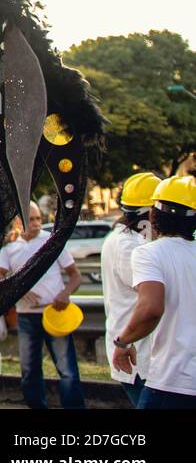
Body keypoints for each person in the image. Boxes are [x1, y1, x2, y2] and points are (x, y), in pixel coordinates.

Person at [112, 175, 196, 409]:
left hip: (174, 381)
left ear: (154, 215)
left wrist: (122, 343)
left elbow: (150, 308)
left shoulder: (149, 253)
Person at [0, 200, 85, 409]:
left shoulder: (51, 242)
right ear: (18, 222)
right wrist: (18, 289)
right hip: (26, 316)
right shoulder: (10, 248)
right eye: (30, 219)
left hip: (54, 312)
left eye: (38, 219)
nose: (35, 223)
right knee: (29, 370)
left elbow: (75, 276)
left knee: (67, 370)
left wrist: (65, 293)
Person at [102, 172, 160, 406]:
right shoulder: (129, 246)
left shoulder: (128, 240)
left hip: (135, 345)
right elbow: (153, 295)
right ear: (150, 213)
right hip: (135, 349)